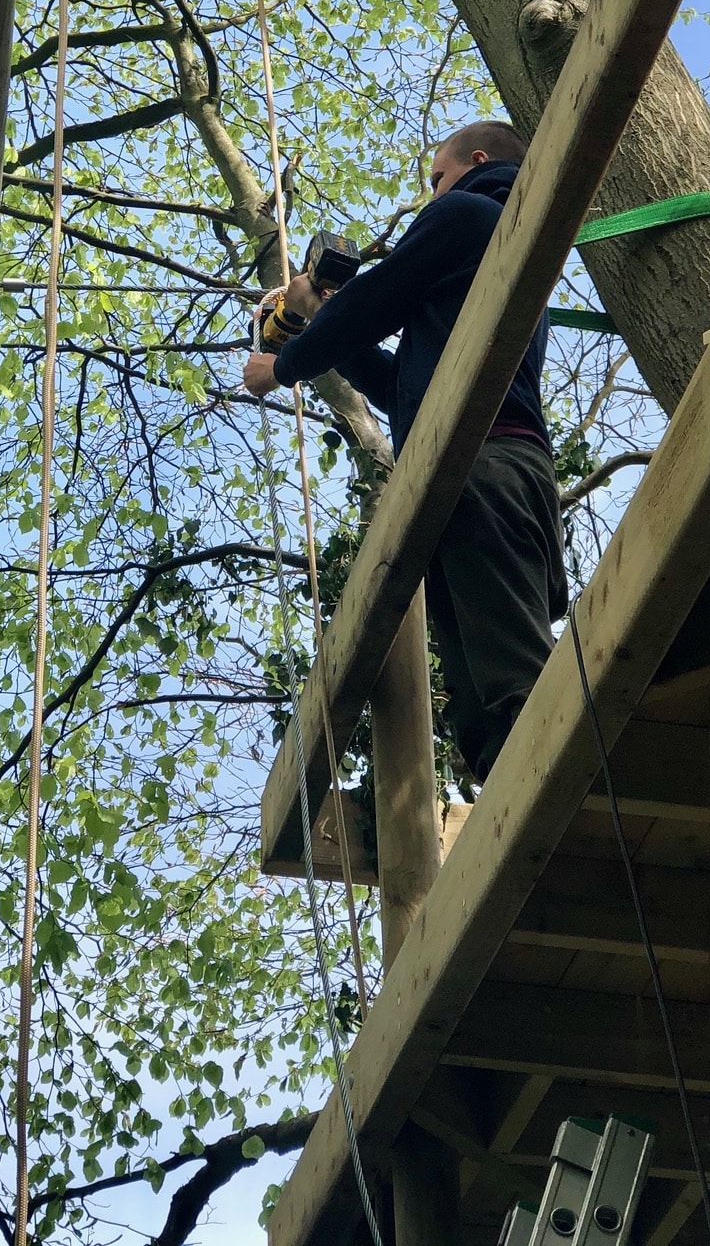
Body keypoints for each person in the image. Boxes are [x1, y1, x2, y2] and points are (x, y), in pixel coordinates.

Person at [242, 121, 566, 783]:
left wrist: (283, 364)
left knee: (513, 686)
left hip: (483, 459)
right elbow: (400, 386)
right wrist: (312, 322)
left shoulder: (472, 212)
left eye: (434, 178)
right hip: (475, 468)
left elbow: (377, 298)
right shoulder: (489, 264)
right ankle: (509, 806)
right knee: (480, 711)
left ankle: (557, 799)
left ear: (476, 163)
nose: (430, 195)